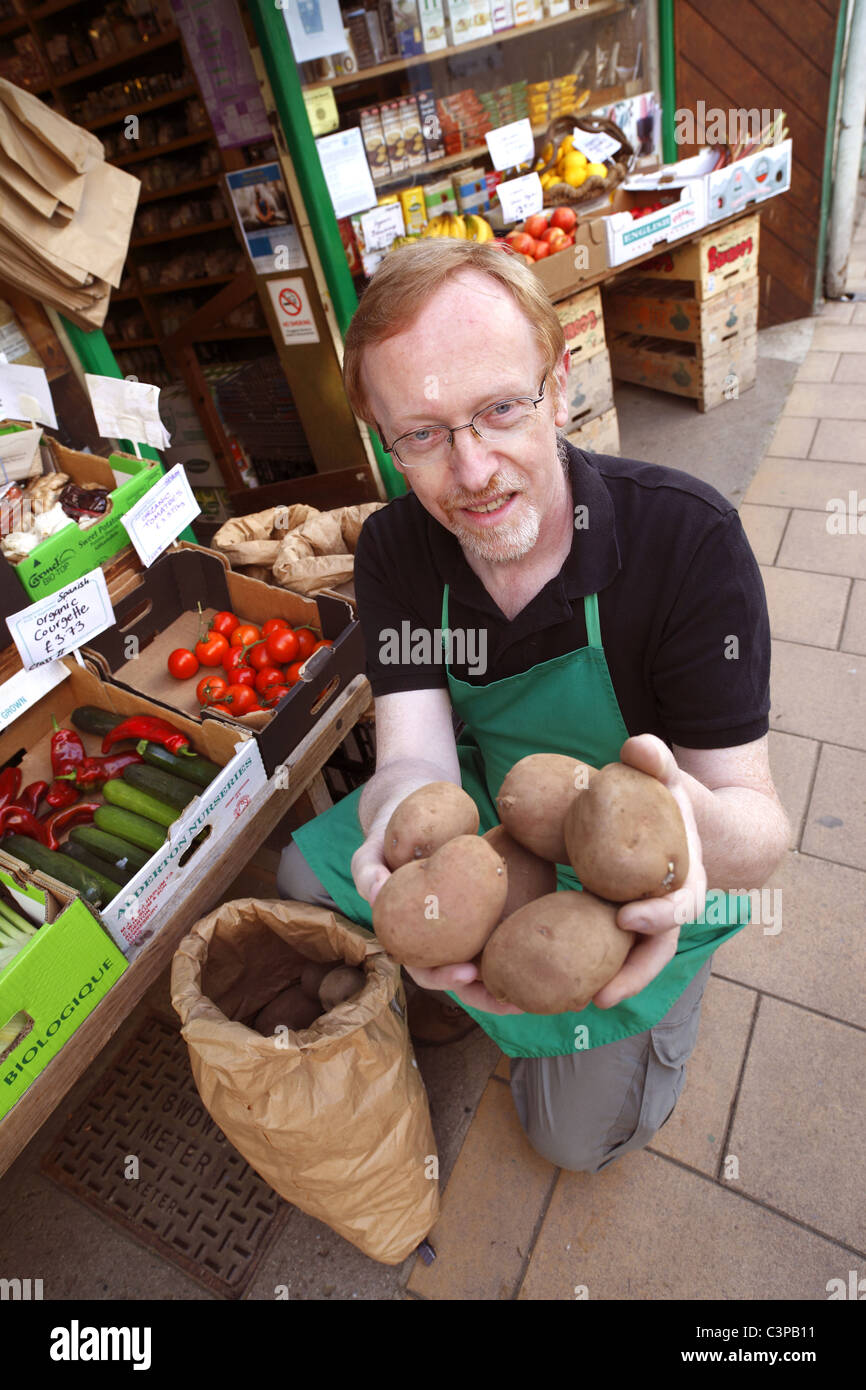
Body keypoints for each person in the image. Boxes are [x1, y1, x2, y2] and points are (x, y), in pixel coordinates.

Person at [278, 239, 790, 1173]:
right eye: (423, 434)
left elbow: (759, 836)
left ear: (558, 389)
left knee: (567, 1140)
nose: (472, 471)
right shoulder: (396, 550)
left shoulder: (687, 540)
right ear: (383, 441)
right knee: (310, 875)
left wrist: (680, 827)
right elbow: (416, 760)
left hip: (651, 879)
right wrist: (398, 837)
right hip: (499, 817)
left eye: (500, 410)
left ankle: (666, 1007)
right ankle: (463, 975)